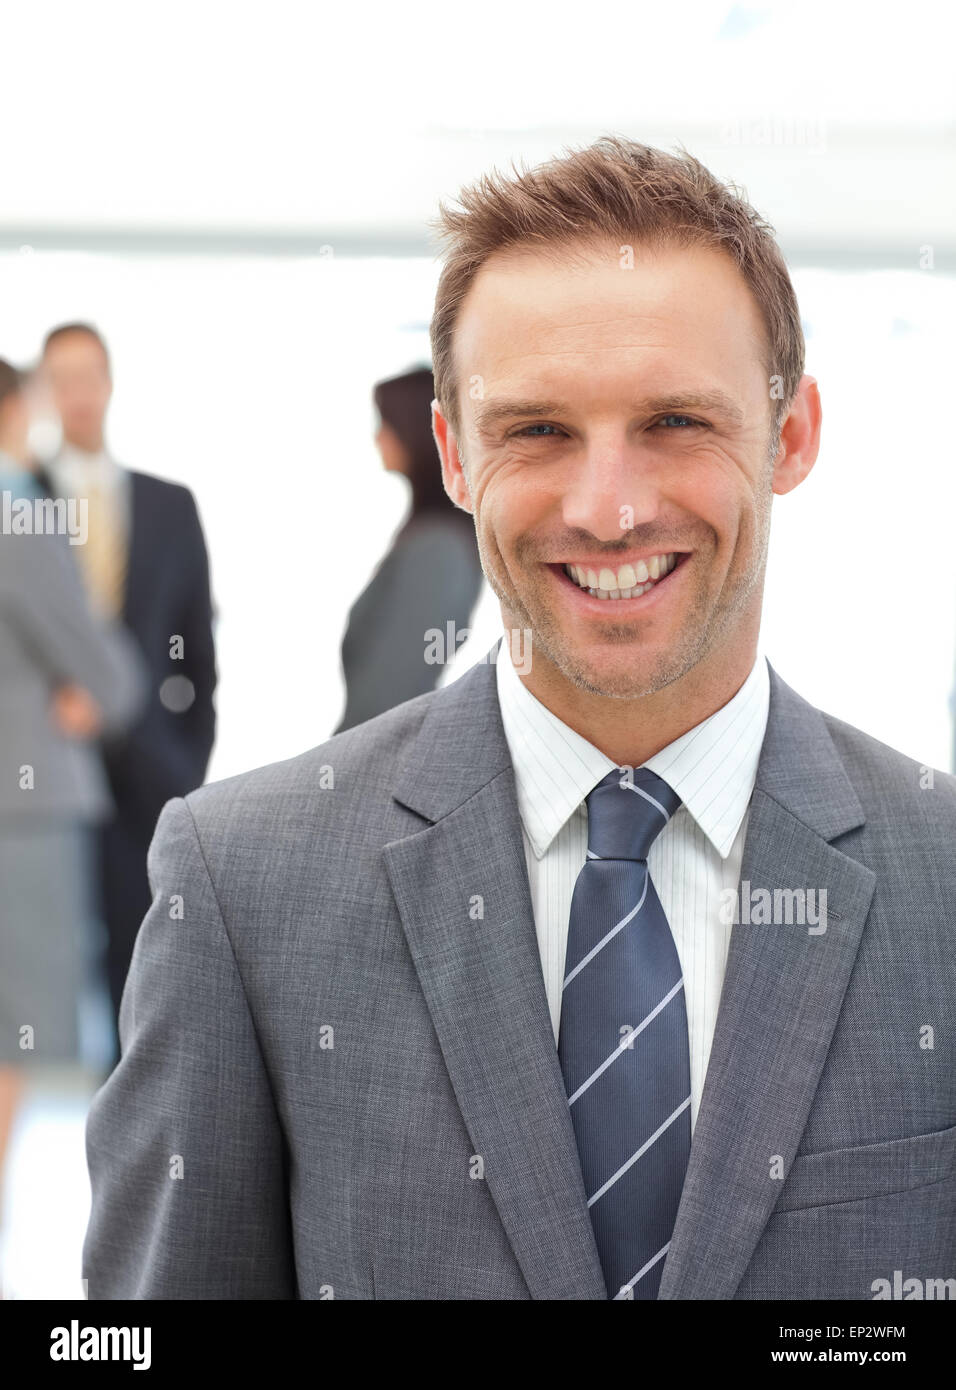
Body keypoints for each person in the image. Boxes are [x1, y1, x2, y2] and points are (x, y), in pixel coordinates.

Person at [83, 138, 956, 1301]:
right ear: (453, 452)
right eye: (536, 431)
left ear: (788, 435)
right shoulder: (243, 888)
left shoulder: (938, 880)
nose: (608, 508)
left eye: (675, 423)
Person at [38, 324, 217, 1049]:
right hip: (43, 767)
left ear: (109, 383)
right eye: (61, 379)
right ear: (44, 394)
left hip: (151, 773)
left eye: (88, 376)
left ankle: (136, 1148)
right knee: (39, 969)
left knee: (143, 981)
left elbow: (197, 655)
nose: (78, 394)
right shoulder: (18, 500)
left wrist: (188, 761)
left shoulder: (169, 505)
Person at [0, 359, 144, 1206]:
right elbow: (109, 673)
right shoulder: (18, 520)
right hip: (22, 811)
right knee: (12, 1036)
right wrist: (92, 691)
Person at [334, 366, 484, 731]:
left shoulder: (438, 551)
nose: (377, 437)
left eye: (384, 422)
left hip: (373, 766)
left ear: (419, 431)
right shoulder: (429, 536)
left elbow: (386, 700)